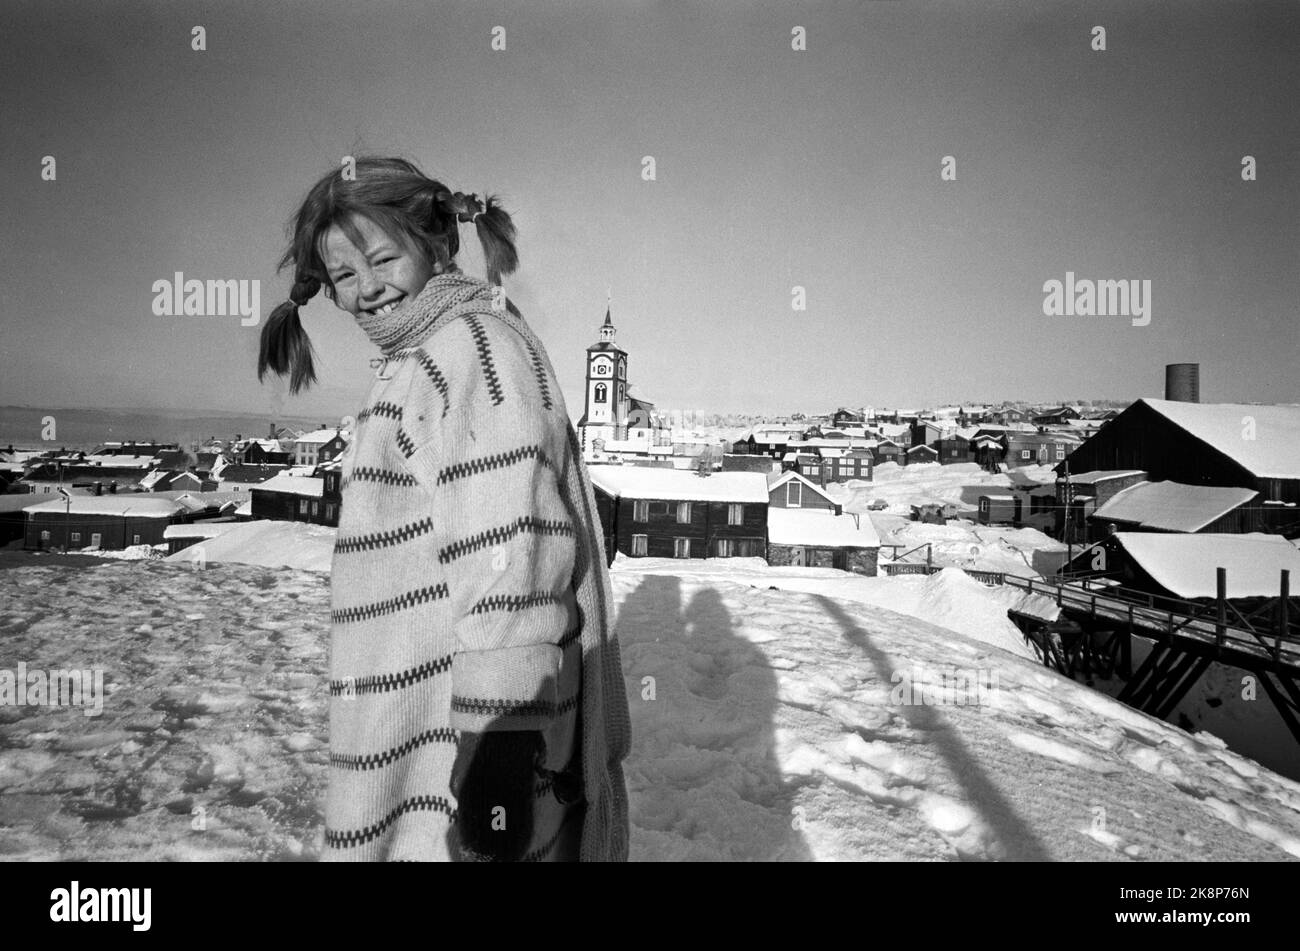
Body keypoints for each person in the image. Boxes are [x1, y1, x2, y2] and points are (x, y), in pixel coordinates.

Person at [257, 156, 631, 861]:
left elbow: (510, 550)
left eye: (382, 258)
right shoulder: (428, 350)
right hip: (426, 734)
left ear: (432, 242)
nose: (366, 289)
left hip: (468, 755)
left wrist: (498, 753)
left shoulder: (467, 351)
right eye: (343, 276)